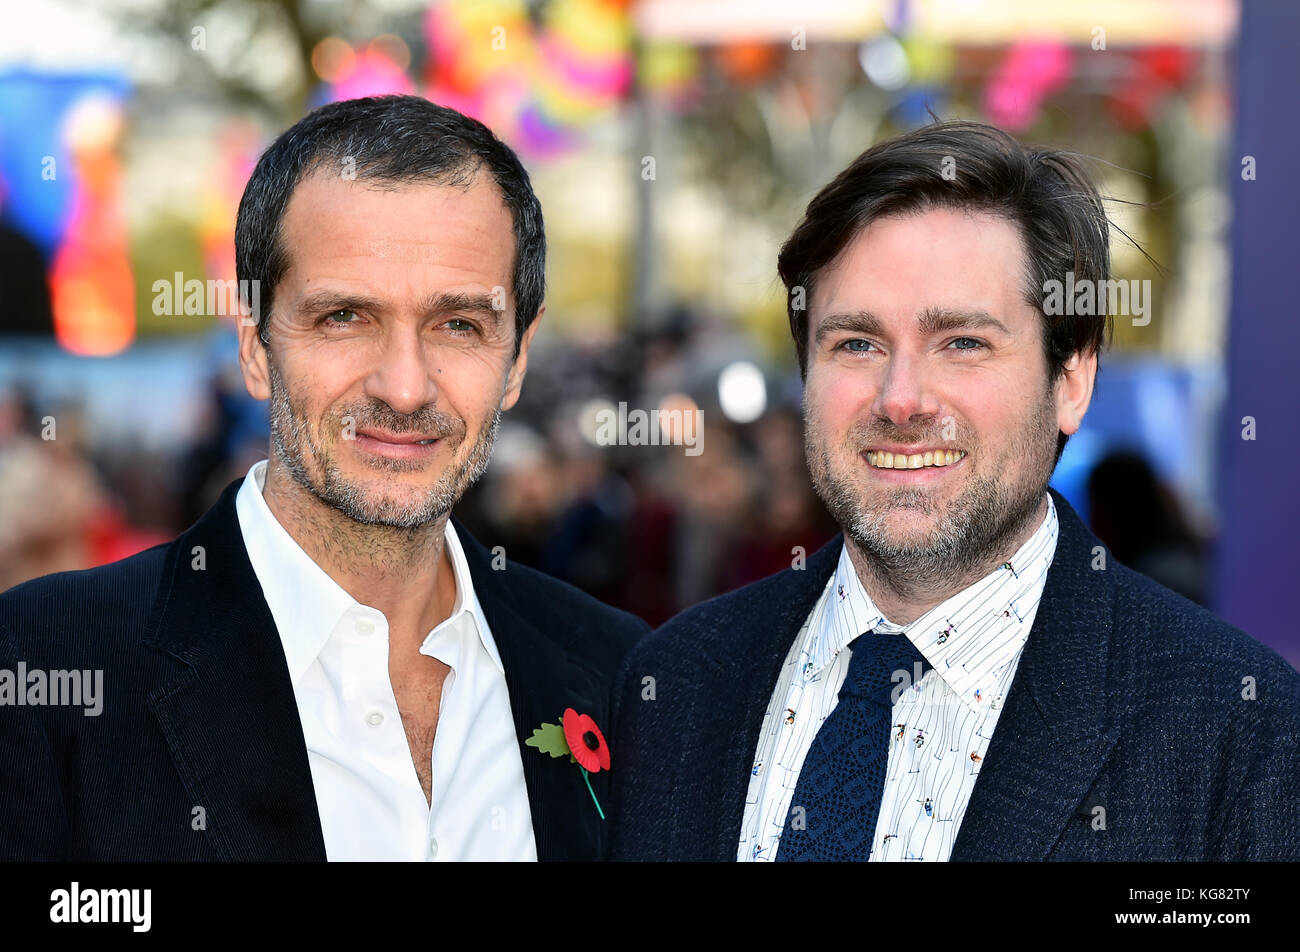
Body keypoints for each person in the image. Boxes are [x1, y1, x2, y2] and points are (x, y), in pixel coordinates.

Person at [609, 120, 1300, 861]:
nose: (901, 399)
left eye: (964, 343)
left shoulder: (1236, 731)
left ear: (1071, 380)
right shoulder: (675, 683)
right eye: (857, 344)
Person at [0, 95, 648, 861]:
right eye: (345, 317)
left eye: (460, 325)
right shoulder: (44, 668)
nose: (405, 388)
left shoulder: (621, 675)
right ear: (253, 344)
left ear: (519, 358)